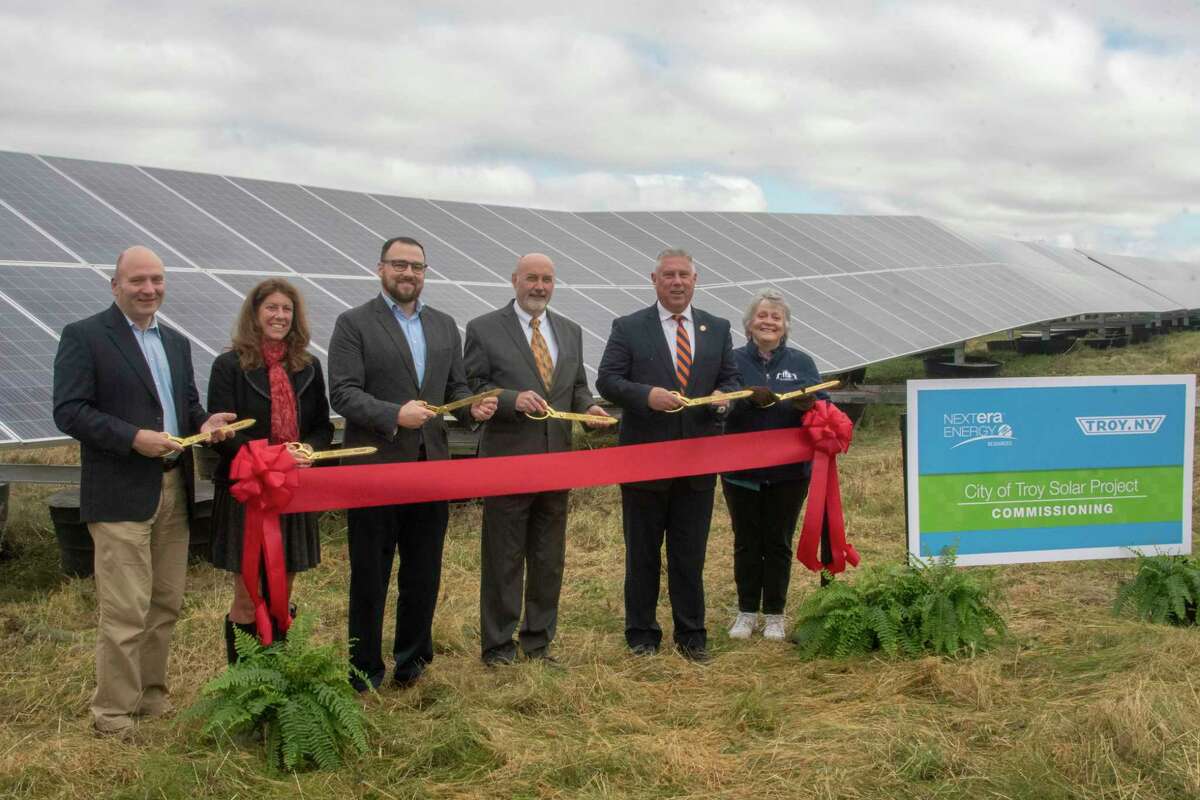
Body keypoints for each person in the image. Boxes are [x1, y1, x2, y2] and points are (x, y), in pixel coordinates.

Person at [51, 245, 236, 738]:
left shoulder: (174, 342)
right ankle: (112, 713)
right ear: (115, 286)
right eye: (137, 281)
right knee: (125, 609)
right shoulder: (86, 336)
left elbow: (186, 405)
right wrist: (133, 438)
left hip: (174, 485)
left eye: (156, 279)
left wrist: (205, 422)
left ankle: (151, 698)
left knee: (165, 603)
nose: (148, 289)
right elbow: (69, 410)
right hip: (121, 492)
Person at [328, 235, 497, 691]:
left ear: (425, 273)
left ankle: (412, 663)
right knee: (371, 573)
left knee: (423, 572)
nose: (408, 273)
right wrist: (393, 414)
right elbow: (342, 392)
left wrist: (471, 407)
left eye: (416, 267)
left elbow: (455, 388)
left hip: (430, 468)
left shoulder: (443, 325)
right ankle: (364, 669)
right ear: (380, 268)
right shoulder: (353, 323)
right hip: (377, 469)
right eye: (399, 264)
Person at [463, 253, 610, 667]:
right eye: (532, 278)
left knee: (548, 558)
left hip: (556, 462)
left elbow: (576, 387)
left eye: (547, 279)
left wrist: (588, 408)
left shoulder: (569, 330)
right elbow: (470, 386)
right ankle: (498, 646)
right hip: (508, 462)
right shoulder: (483, 328)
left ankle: (538, 642)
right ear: (515, 280)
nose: (539, 286)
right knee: (504, 558)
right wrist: (511, 399)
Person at [596, 248, 739, 661]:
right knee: (642, 553)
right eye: (669, 275)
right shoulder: (628, 327)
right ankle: (641, 635)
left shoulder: (718, 327)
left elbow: (731, 379)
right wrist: (646, 396)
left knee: (689, 555)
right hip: (645, 462)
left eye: (684, 275)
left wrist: (723, 398)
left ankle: (692, 636)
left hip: (697, 462)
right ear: (654, 280)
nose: (677, 282)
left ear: (695, 280)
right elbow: (608, 380)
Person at [206, 278, 334, 661]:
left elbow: (322, 427)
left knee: (282, 591)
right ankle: (246, 683)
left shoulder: (308, 367)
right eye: (272, 308)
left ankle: (279, 678)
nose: (280, 316)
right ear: (255, 313)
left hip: (292, 490)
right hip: (247, 493)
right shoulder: (228, 366)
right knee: (247, 597)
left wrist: (308, 449)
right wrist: (268, 460)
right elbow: (222, 434)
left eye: (287, 309)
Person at [722, 288, 830, 642]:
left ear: (785, 326)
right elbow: (719, 404)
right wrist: (742, 401)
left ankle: (775, 615)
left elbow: (825, 406)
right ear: (749, 323)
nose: (768, 322)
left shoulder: (802, 363)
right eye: (762, 315)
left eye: (775, 317)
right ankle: (746, 612)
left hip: (789, 472)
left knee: (779, 541)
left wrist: (810, 405)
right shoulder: (731, 361)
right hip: (741, 471)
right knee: (746, 541)